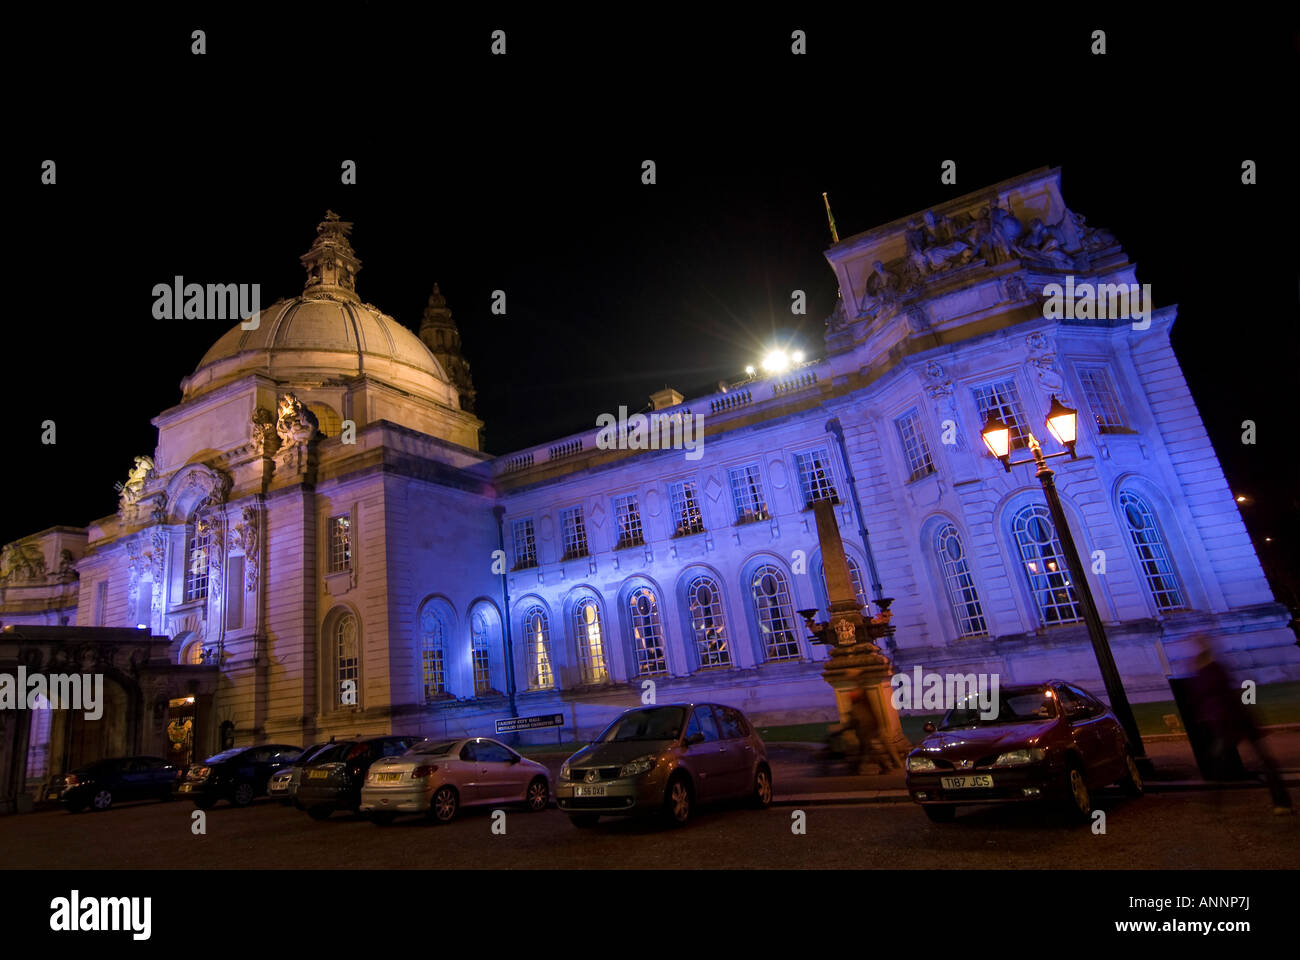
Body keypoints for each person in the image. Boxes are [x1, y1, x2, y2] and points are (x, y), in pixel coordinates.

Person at [1186, 634, 1293, 814]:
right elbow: (1243, 689)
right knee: (1263, 761)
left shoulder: (1205, 675)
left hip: (1228, 722)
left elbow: (1203, 698)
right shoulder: (1214, 670)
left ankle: (1214, 801)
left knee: (1219, 762)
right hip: (1237, 719)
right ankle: (1281, 802)